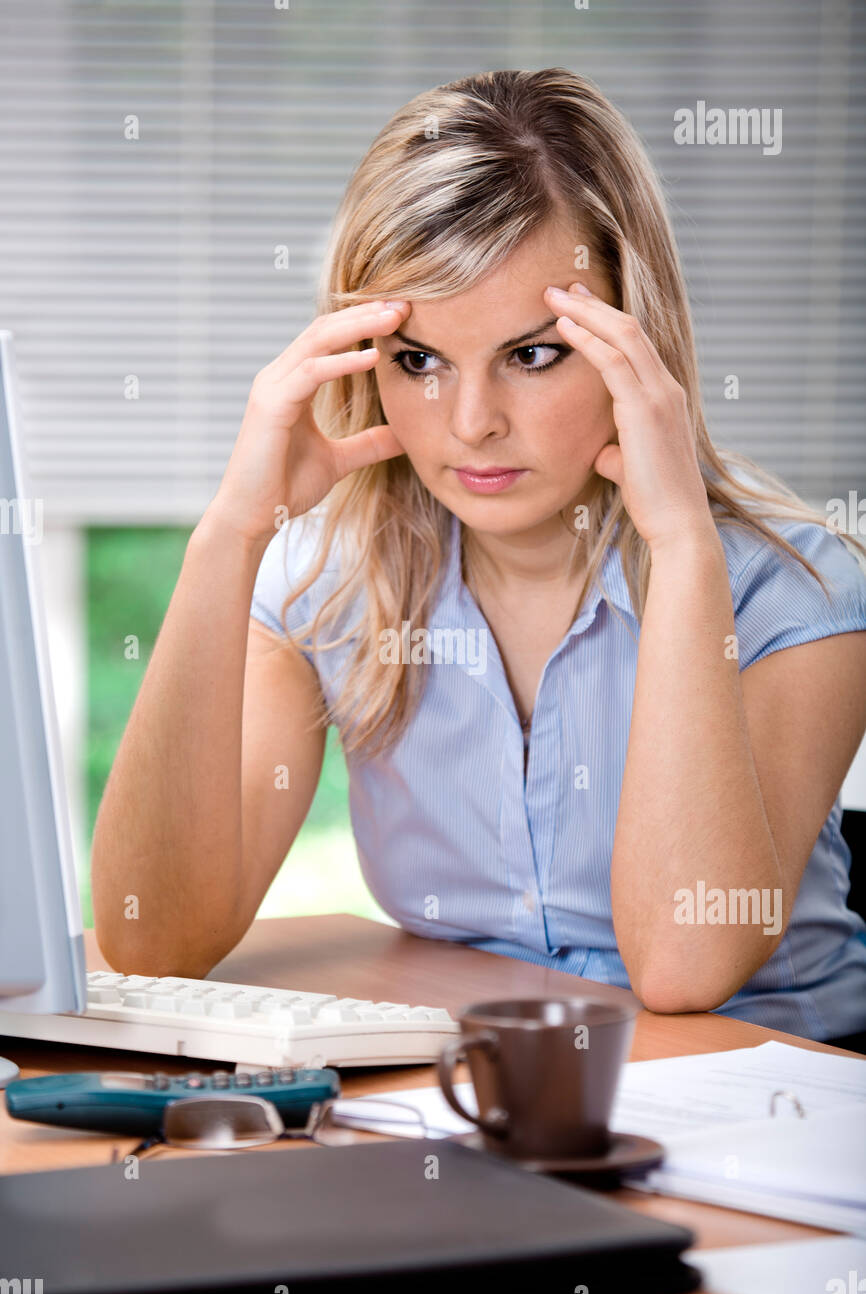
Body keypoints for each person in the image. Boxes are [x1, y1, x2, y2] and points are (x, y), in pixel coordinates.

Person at [92, 68, 866, 1045]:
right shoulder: (330, 584)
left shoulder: (795, 592)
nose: (470, 426)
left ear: (637, 334)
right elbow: (149, 937)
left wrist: (680, 549)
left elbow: (681, 965)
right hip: (484, 1090)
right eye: (418, 360)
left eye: (531, 354)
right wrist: (231, 532)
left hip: (771, 1094)